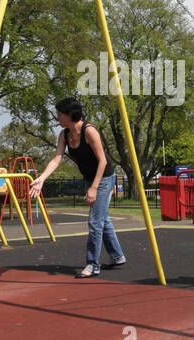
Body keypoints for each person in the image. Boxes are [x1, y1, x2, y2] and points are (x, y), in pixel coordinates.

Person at [28, 97, 126, 278]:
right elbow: (57, 158)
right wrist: (41, 178)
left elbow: (103, 161)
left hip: (103, 178)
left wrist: (94, 188)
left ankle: (92, 264)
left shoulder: (89, 131)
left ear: (69, 114)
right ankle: (117, 256)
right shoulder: (64, 134)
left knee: (95, 221)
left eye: (59, 114)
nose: (57, 118)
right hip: (89, 178)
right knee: (102, 219)